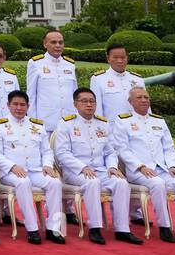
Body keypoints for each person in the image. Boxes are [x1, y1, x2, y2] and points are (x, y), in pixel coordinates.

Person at [53, 87, 141, 245]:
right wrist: (81, 167)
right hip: (75, 172)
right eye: (84, 101)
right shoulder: (66, 124)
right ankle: (95, 228)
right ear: (75, 104)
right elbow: (62, 153)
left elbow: (110, 151)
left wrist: (112, 167)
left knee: (121, 183)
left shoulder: (103, 123)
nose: (89, 105)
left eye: (92, 101)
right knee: (92, 183)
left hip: (101, 170)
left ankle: (122, 229)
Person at [114, 87, 175, 243]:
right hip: (139, 171)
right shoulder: (123, 121)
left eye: (146, 97)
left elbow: (169, 147)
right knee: (158, 184)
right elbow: (122, 149)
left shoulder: (158, 120)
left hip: (162, 169)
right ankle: (165, 227)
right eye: (139, 97)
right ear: (131, 102)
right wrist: (140, 166)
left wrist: (173, 166)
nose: (144, 100)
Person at [0, 90, 66, 245]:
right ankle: (32, 229)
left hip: (36, 170)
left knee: (55, 183)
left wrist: (47, 165)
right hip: (11, 172)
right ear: (8, 105)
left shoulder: (37, 125)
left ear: (28, 106)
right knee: (23, 183)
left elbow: (46, 150)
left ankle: (53, 228)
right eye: (15, 104)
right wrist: (12, 166)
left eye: (22, 104)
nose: (19, 108)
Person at [26, 31, 77, 133]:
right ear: (45, 44)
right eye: (53, 42)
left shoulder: (70, 64)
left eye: (60, 42)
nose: (57, 45)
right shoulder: (35, 63)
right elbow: (31, 95)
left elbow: (75, 94)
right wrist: (34, 123)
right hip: (46, 123)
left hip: (69, 122)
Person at [89, 42, 146, 122]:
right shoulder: (98, 79)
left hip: (137, 128)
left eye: (123, 57)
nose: (120, 61)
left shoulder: (137, 79)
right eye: (115, 57)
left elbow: (146, 106)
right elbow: (97, 109)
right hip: (112, 128)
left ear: (127, 58)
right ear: (108, 58)